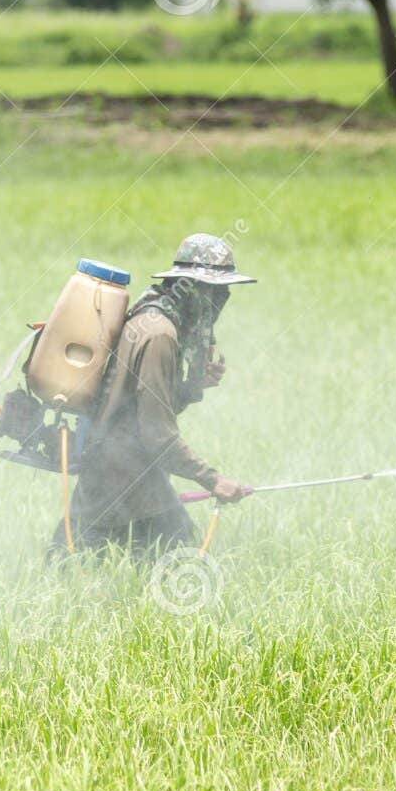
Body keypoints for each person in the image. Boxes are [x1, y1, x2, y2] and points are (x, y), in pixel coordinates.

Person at [55, 233, 253, 558]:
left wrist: (191, 388)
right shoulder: (160, 335)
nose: (221, 300)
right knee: (173, 557)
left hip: (120, 468)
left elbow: (142, 407)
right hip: (122, 475)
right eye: (216, 292)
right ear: (194, 290)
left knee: (80, 558)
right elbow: (157, 433)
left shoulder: (154, 316)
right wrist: (212, 479)